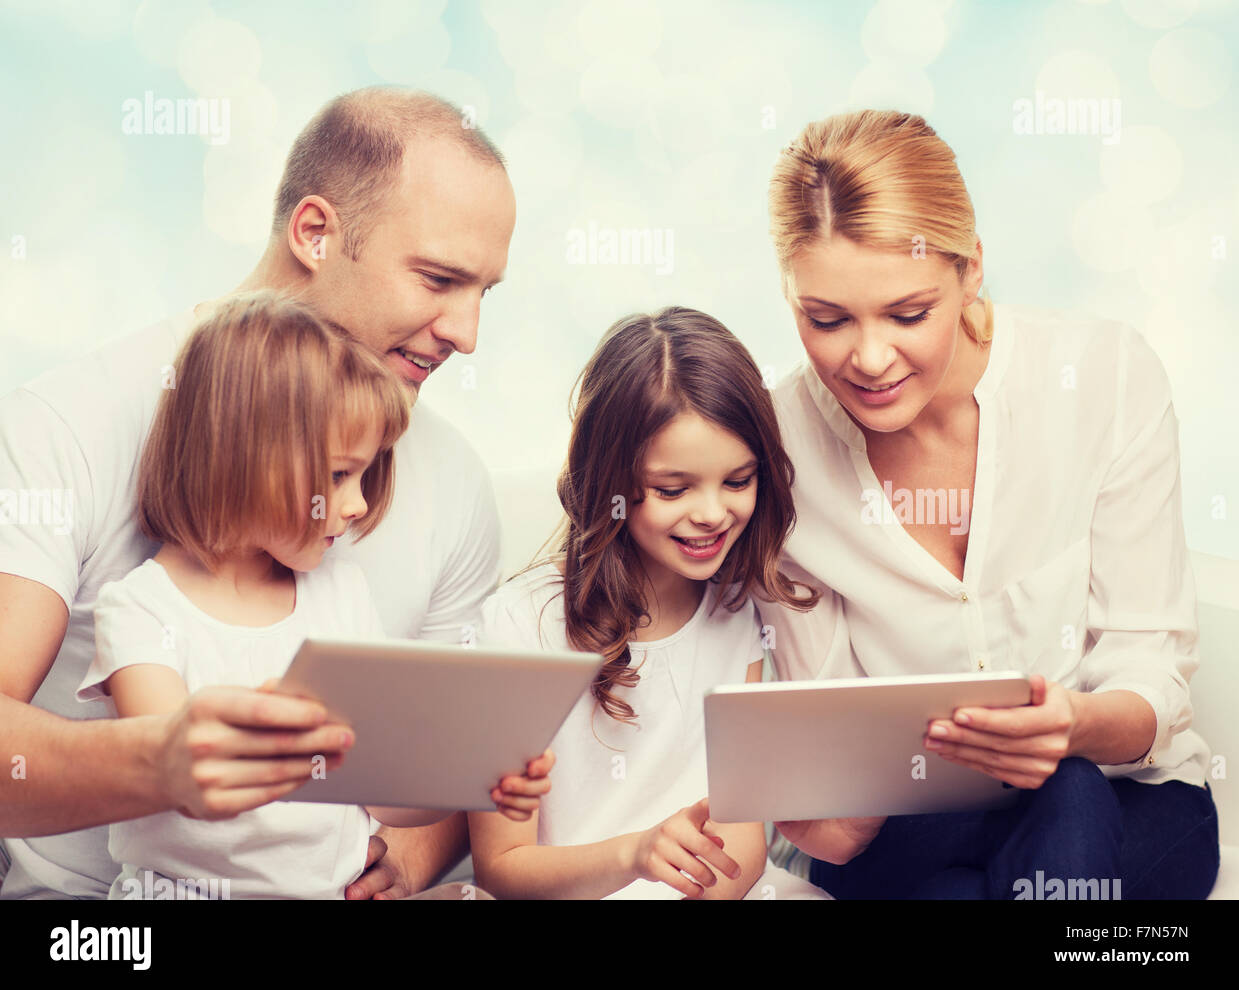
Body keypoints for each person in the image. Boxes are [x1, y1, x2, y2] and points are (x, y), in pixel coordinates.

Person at [0, 87, 524, 900]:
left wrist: (405, 858)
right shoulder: (69, 423)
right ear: (314, 232)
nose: (466, 333)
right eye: (437, 279)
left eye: (483, 292)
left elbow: (435, 764)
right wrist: (163, 761)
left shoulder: (453, 482)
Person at [760, 108, 1220, 899]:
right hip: (913, 819)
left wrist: (1071, 726)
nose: (868, 359)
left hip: (1124, 793)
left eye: (907, 314)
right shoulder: (777, 451)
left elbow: (1151, 669)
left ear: (971, 268)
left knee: (1066, 790)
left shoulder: (1102, 375)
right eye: (825, 319)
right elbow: (830, 752)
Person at [75, 291, 545, 899]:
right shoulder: (140, 610)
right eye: (339, 475)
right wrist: (283, 734)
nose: (357, 504)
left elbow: (385, 795)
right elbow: (182, 780)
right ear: (241, 457)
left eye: (365, 474)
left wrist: (477, 782)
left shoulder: (341, 596)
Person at [469, 307, 834, 899]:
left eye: (737, 481)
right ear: (609, 481)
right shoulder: (519, 626)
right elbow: (503, 865)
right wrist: (635, 855)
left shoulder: (736, 610)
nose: (712, 513)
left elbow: (741, 838)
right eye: (672, 489)